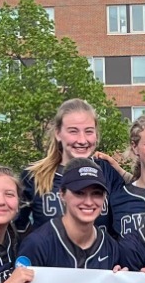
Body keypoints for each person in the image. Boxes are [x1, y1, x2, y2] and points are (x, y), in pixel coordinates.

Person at [23, 98, 120, 230]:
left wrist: (123, 172)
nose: (82, 140)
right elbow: (19, 231)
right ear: (58, 133)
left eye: (89, 131)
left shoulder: (107, 171)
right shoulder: (33, 176)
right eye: (73, 131)